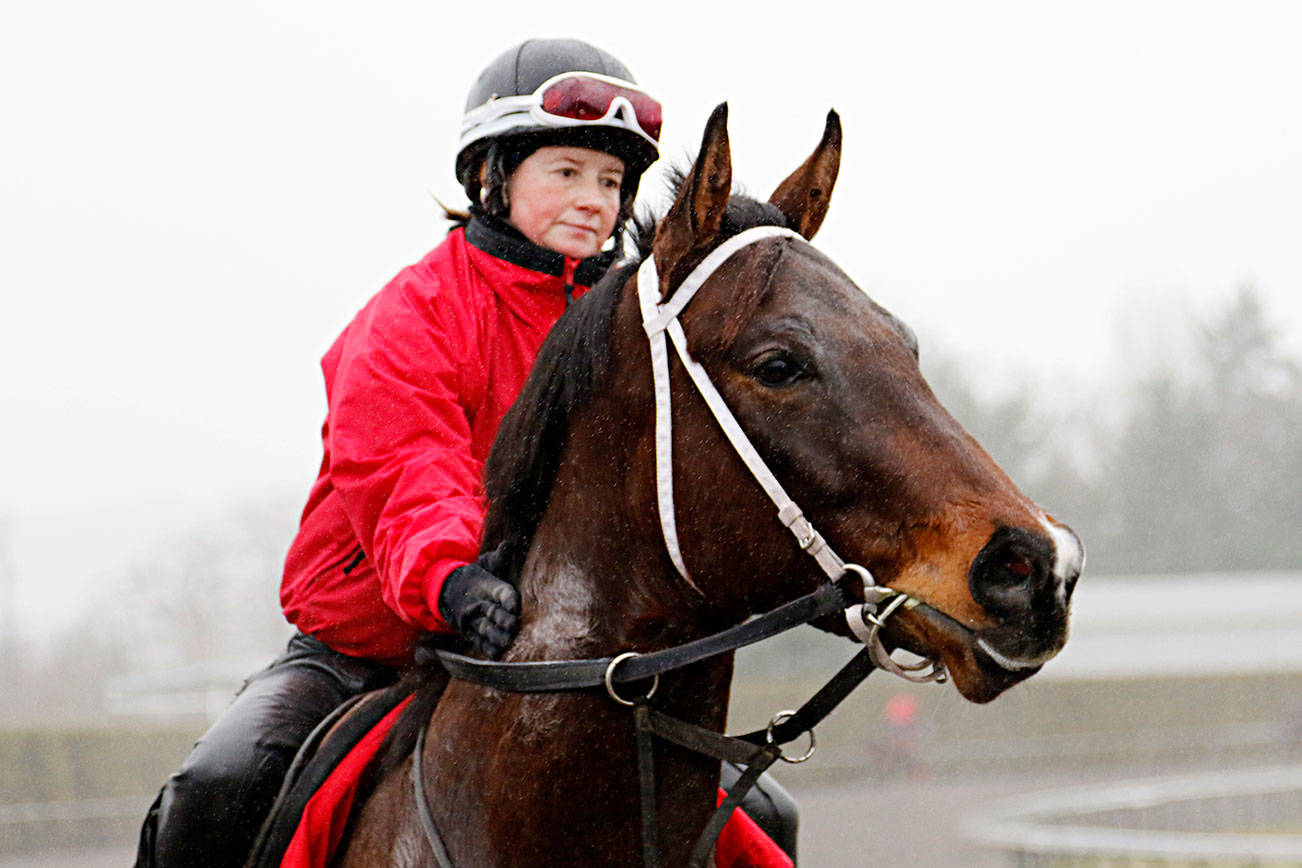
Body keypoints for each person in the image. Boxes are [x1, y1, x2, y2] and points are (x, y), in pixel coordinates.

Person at [135, 38, 793, 867]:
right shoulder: (411, 315)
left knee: (765, 815)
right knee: (216, 788)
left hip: (559, 660)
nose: (592, 200)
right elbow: (406, 471)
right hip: (371, 651)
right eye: (566, 172)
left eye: (610, 182)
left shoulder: (632, 332)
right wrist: (452, 579)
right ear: (492, 175)